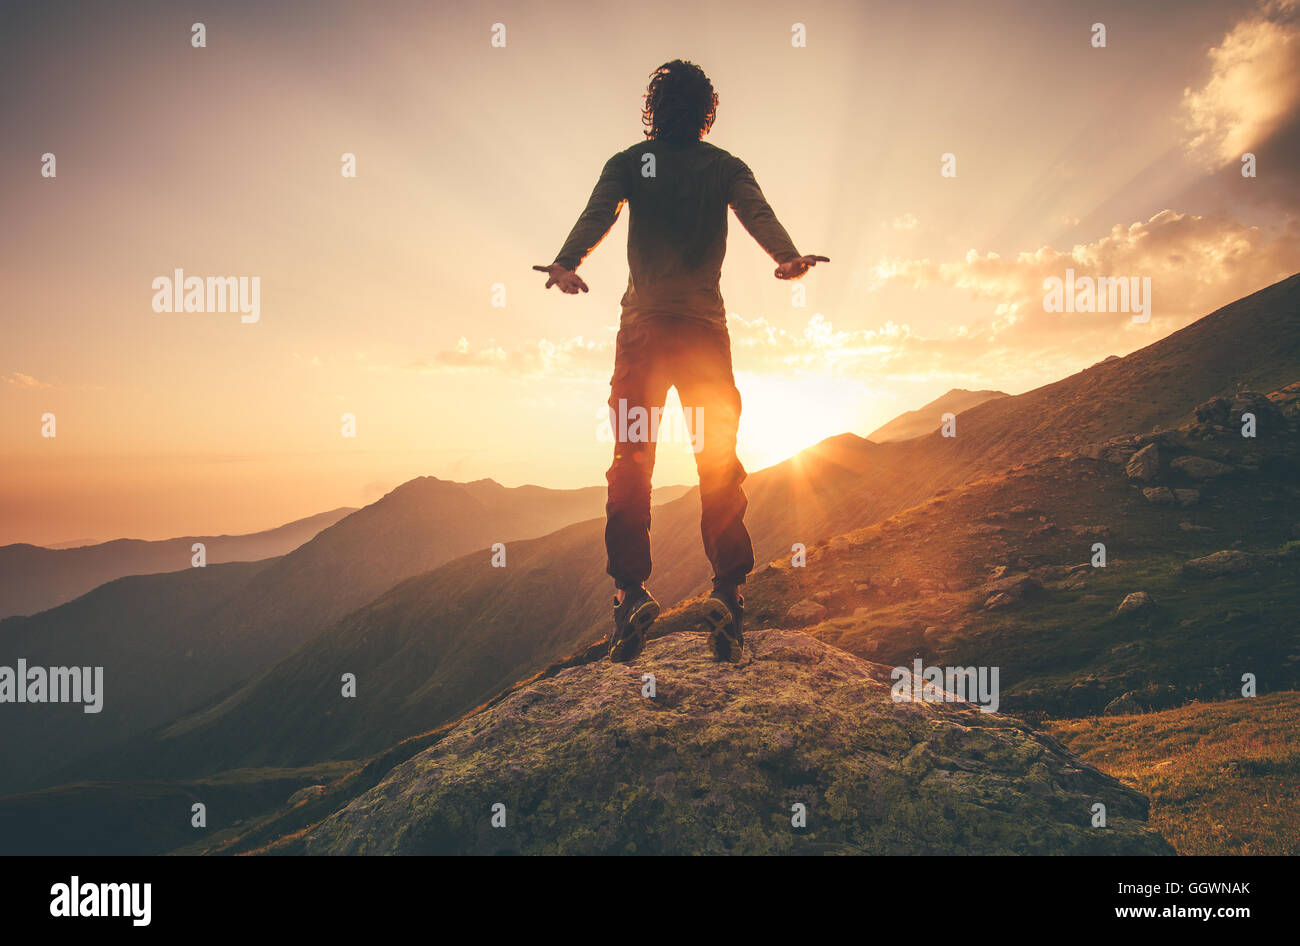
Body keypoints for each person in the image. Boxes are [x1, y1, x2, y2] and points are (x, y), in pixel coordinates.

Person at [534, 59, 827, 663]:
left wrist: (568, 264)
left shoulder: (628, 164)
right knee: (716, 462)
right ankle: (726, 593)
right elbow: (756, 212)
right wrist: (788, 256)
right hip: (703, 342)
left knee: (631, 462)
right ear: (706, 112)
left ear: (653, 107)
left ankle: (632, 594)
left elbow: (599, 214)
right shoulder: (724, 166)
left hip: (643, 341)